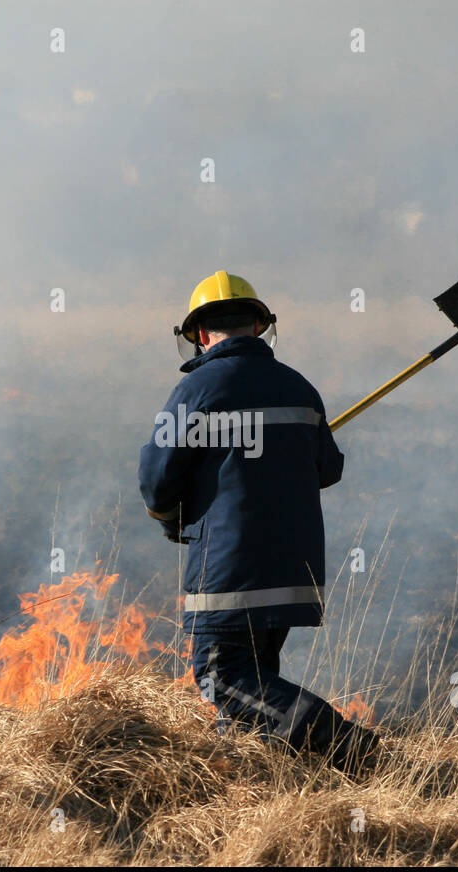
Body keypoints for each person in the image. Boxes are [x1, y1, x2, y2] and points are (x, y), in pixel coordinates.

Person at [138, 271, 380, 772]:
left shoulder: (196, 389)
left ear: (199, 334)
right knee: (253, 689)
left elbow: (158, 480)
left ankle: (354, 748)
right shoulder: (299, 387)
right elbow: (328, 469)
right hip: (293, 570)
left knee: (221, 679)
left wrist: (169, 516)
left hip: (229, 571)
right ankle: (257, 785)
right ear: (259, 325)